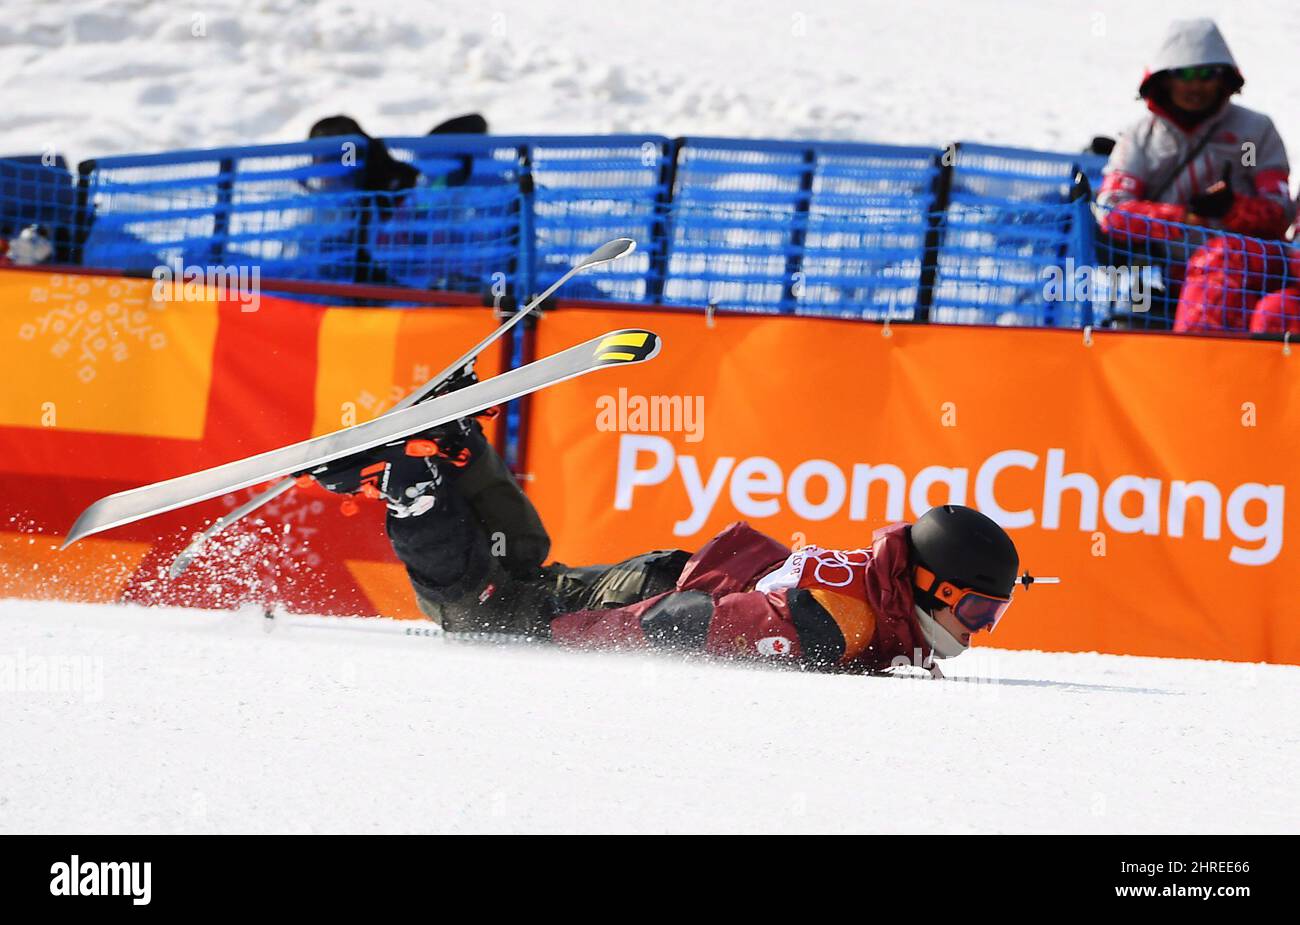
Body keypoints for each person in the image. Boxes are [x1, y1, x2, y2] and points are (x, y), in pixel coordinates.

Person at [309, 419, 1028, 677]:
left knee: (526, 574)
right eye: (978, 608)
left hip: (677, 574)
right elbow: (683, 625)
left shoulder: (882, 600)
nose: (980, 626)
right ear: (932, 585)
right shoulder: (842, 621)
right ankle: (418, 488)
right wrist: (559, 642)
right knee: (489, 619)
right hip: (657, 598)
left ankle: (461, 453)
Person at [1097, 18, 1293, 332]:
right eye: (1184, 74)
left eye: (1207, 74)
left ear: (1224, 78)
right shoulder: (1140, 139)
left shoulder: (1251, 136)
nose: (1195, 85)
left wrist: (1233, 208)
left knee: (1229, 265)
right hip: (1167, 274)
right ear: (1164, 79)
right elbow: (1112, 211)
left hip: (1250, 274)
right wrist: (1182, 217)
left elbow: (1279, 211)